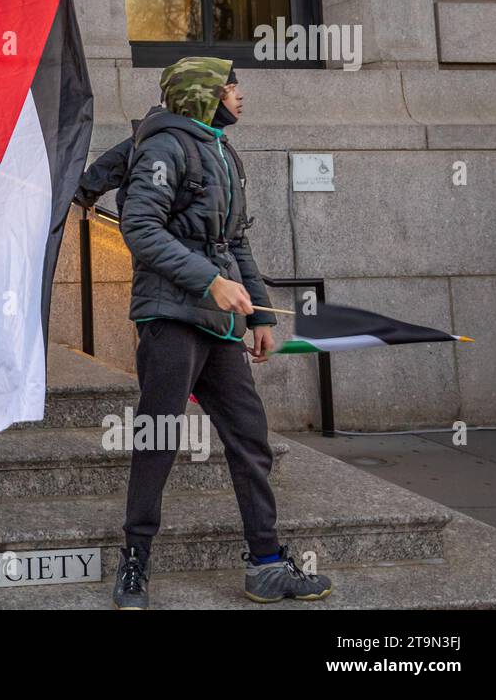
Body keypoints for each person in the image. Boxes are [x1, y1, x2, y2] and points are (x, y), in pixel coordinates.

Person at [112, 56, 333, 608]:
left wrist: (258, 312)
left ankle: (265, 564)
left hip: (219, 322)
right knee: (159, 438)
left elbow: (235, 243)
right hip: (170, 317)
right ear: (202, 95)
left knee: (250, 438)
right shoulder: (164, 147)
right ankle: (134, 563)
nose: (240, 92)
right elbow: (140, 227)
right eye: (230, 85)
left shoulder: (221, 150)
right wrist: (210, 283)